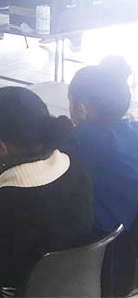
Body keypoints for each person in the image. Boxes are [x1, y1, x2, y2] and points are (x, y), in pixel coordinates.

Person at [0, 86, 94, 297]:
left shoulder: (3, 205)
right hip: (75, 285)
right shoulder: (74, 164)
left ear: (1, 147)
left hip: (20, 290)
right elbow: (33, 178)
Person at [62, 57, 138, 296]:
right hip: (129, 233)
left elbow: (43, 164)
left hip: (98, 238)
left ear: (80, 108)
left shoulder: (81, 139)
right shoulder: (132, 130)